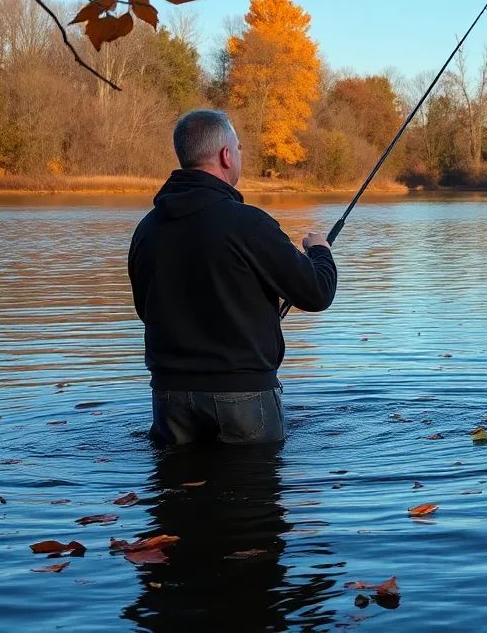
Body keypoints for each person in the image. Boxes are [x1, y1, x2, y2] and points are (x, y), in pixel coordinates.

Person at [128, 109, 337, 446]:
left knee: (178, 495)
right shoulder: (249, 224)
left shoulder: (147, 229)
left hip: (169, 400)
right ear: (226, 155)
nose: (240, 155)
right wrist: (320, 251)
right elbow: (317, 292)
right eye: (238, 148)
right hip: (243, 398)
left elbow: (145, 311)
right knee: (252, 496)